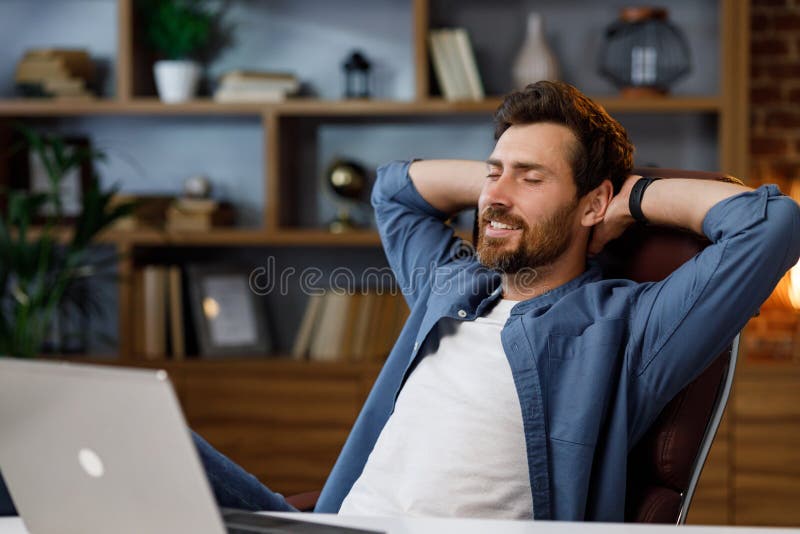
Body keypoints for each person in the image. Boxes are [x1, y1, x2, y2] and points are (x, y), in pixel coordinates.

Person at [1, 81, 798, 521]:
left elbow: (771, 225)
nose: (496, 194)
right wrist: (507, 178)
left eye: (531, 177)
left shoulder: (627, 324)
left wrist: (637, 193)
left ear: (592, 204)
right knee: (50, 444)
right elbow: (396, 190)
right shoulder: (454, 286)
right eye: (493, 170)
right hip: (322, 525)